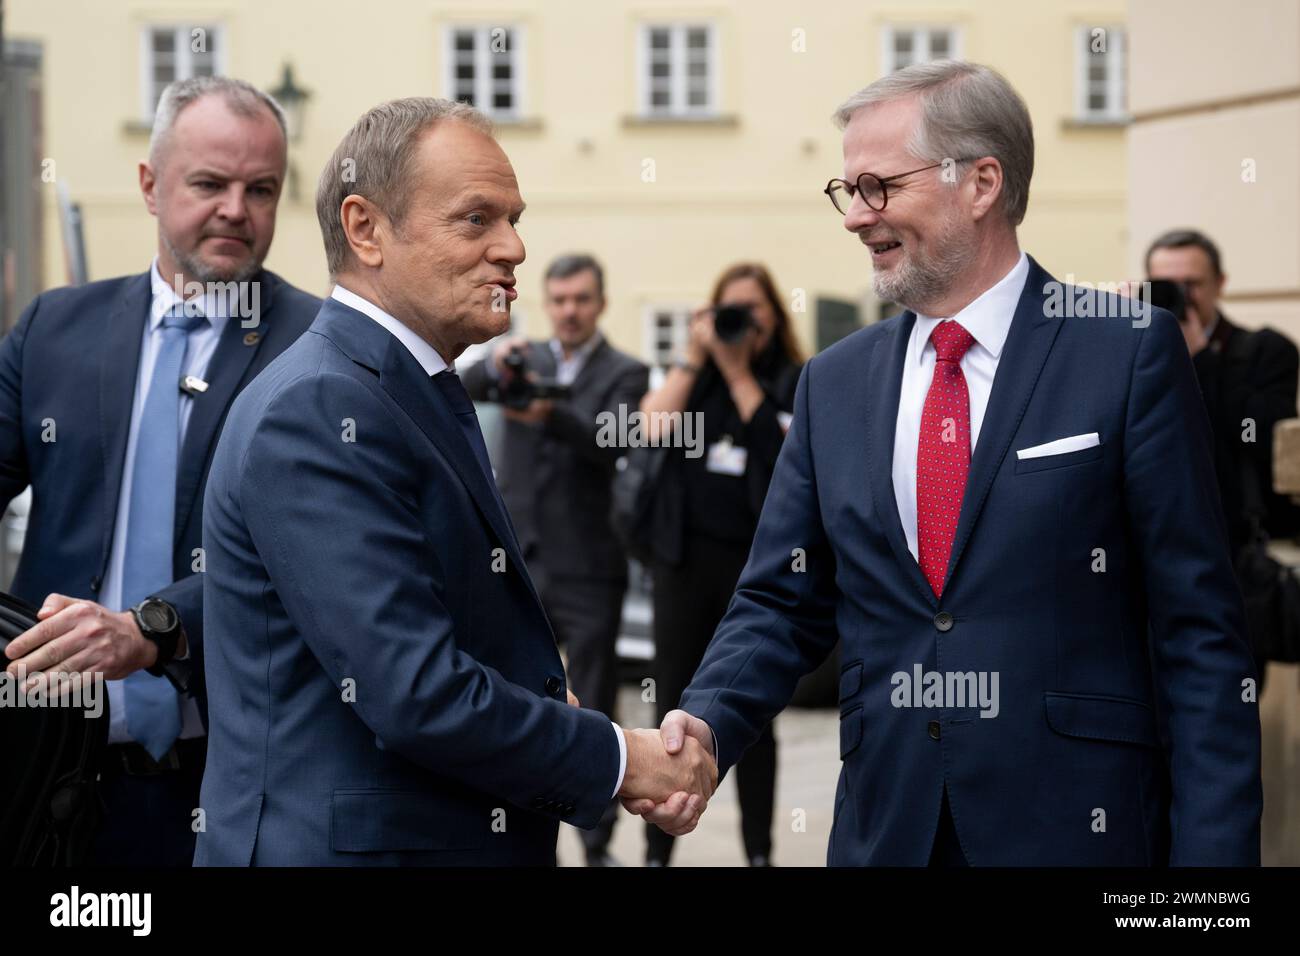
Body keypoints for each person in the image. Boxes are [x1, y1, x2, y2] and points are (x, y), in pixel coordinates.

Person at [627, 60, 1262, 866]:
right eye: (846, 191)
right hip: (886, 829)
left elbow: (1199, 634)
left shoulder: (1127, 354)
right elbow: (780, 601)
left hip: (1078, 833)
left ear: (982, 182)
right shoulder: (835, 381)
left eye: (878, 186)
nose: (856, 217)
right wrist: (709, 723)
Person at [194, 98, 714, 866]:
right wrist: (620, 757)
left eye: (514, 218)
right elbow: (412, 690)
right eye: (476, 220)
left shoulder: (404, 384)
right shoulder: (322, 404)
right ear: (366, 227)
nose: (514, 248)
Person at [0, 76, 321, 865]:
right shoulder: (53, 328)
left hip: (231, 784)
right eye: (210, 183)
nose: (236, 210)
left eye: (262, 189)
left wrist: (154, 629)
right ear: (149, 185)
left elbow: (314, 558)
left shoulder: (320, 350)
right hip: (45, 771)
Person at [462, 253, 649, 866]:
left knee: (591, 695)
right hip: (515, 559)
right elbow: (462, 390)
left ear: (600, 303)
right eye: (560, 300)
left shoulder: (628, 371)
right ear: (546, 303)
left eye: (581, 300)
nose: (569, 311)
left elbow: (610, 439)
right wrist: (495, 361)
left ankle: (595, 843)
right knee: (515, 694)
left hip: (590, 563)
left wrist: (552, 414)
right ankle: (517, 825)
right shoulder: (523, 359)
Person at [636, 262, 803, 866]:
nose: (737, 322)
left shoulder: (790, 380)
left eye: (750, 311)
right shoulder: (697, 379)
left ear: (773, 319)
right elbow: (648, 427)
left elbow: (785, 452)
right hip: (682, 566)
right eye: (725, 310)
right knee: (671, 714)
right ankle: (657, 853)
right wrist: (694, 356)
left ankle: (759, 854)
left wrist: (739, 373)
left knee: (751, 718)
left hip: (751, 571)